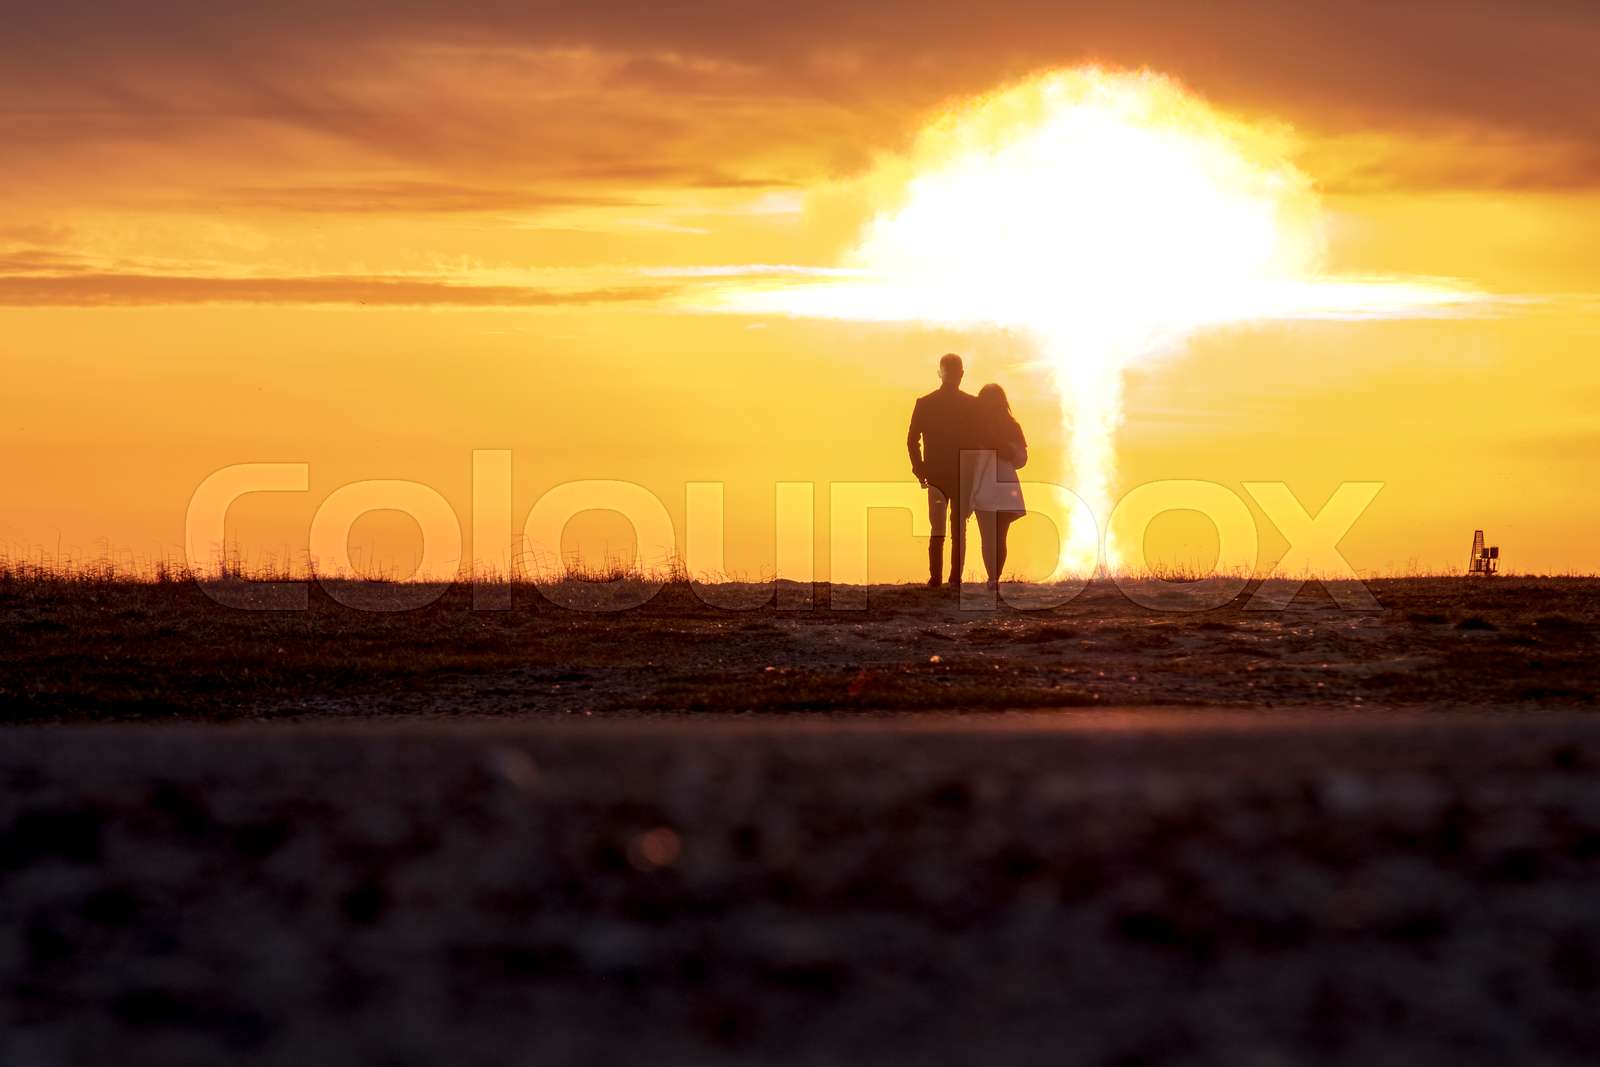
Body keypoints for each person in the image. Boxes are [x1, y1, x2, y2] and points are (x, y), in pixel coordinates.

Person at [907, 353, 980, 588]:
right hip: (960, 476)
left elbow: (911, 440)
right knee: (958, 528)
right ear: (960, 374)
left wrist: (919, 469)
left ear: (941, 372)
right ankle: (954, 579)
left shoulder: (926, 403)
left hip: (937, 475)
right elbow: (979, 443)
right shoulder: (971, 405)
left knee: (938, 528)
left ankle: (937, 578)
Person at [971, 383, 1028, 591]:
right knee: (1000, 536)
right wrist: (1008, 452)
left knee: (987, 536)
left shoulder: (975, 426)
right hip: (1005, 485)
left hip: (983, 484)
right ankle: (995, 577)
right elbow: (1022, 460)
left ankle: (992, 577)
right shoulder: (1012, 426)